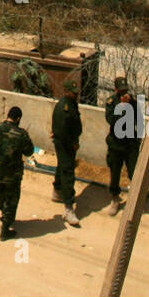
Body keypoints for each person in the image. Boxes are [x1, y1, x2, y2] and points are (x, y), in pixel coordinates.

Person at [0, 106, 34, 241]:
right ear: (18, 119)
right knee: (12, 199)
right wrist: (26, 137)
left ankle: (4, 214)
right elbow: (29, 152)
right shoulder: (21, 134)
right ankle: (5, 230)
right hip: (13, 174)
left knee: (1, 194)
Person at [104, 76, 142, 214]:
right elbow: (112, 121)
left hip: (130, 144)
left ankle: (135, 200)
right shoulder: (111, 102)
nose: (124, 93)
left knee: (134, 173)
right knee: (115, 173)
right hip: (116, 144)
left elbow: (139, 119)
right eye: (121, 91)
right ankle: (115, 198)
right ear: (116, 90)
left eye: (125, 90)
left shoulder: (133, 102)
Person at [50, 76, 82, 227]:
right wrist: (73, 144)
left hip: (68, 143)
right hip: (65, 144)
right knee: (68, 172)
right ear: (67, 91)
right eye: (73, 92)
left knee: (62, 166)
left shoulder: (71, 104)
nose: (76, 95)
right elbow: (62, 133)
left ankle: (57, 190)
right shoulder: (64, 107)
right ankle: (69, 208)